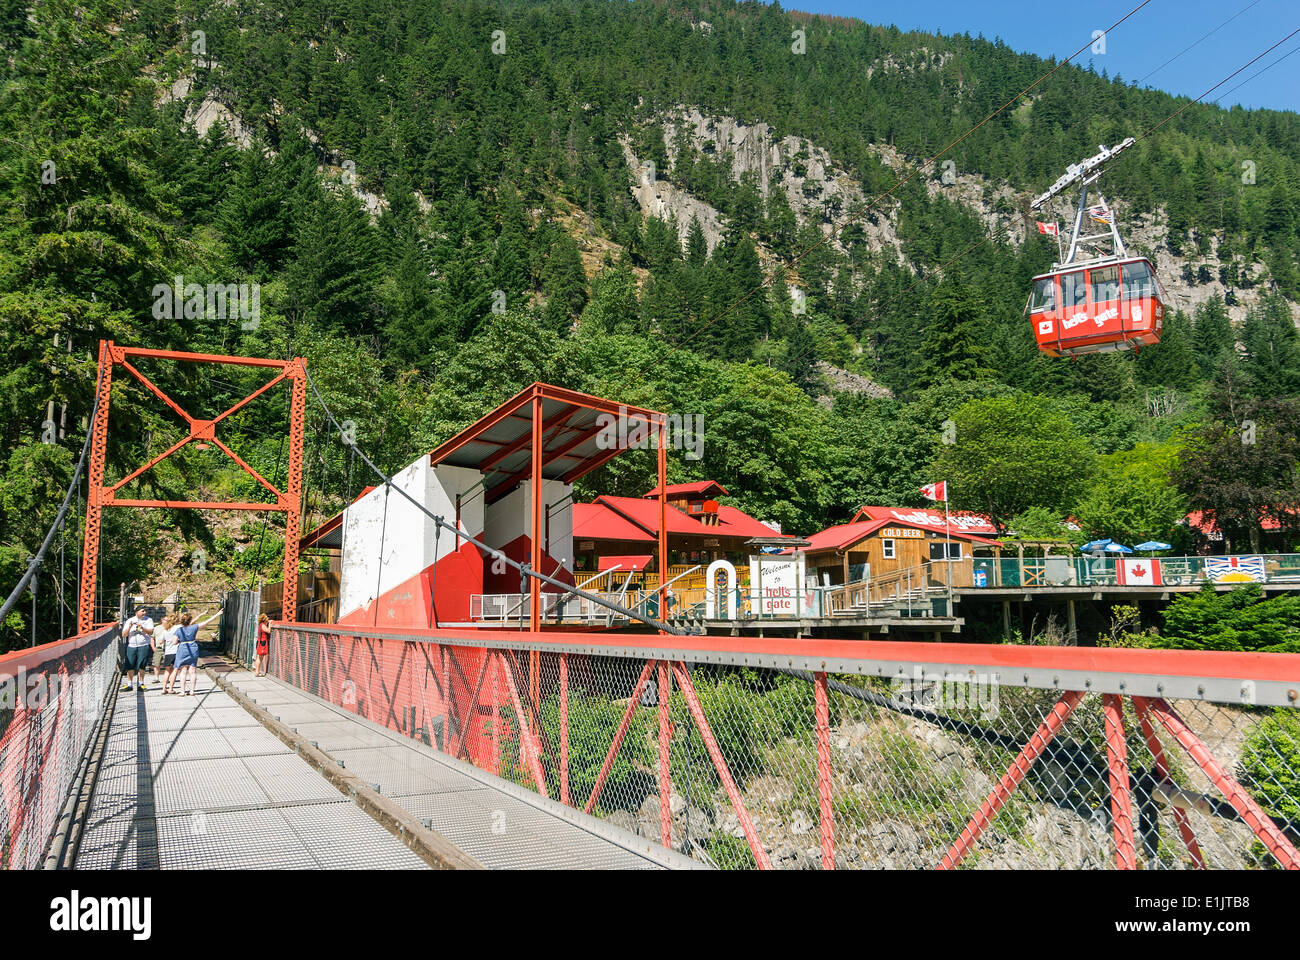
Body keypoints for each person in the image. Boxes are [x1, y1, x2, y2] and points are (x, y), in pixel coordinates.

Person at [121, 607, 154, 692]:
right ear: (137, 612)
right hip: (132, 646)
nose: (144, 613)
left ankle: (141, 684)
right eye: (142, 611)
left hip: (143, 645)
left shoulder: (148, 620)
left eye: (145, 611)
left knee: (142, 665)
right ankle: (129, 684)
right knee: (130, 665)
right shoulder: (130, 620)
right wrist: (129, 627)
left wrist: (142, 627)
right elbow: (124, 635)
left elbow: (151, 632)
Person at [172, 613, 201, 696]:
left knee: (183, 671)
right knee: (192, 671)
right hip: (193, 648)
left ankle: (182, 691)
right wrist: (217, 614)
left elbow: (174, 642)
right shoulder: (194, 627)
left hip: (182, 649)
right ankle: (192, 691)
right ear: (190, 621)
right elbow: (207, 621)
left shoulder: (179, 630)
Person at [161, 617, 182, 694]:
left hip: (168, 652)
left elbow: (161, 641)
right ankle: (170, 688)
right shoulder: (177, 628)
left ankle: (163, 688)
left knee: (167, 670)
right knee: (174, 670)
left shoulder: (165, 630)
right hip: (176, 651)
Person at [149, 615, 172, 687]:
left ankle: (168, 677)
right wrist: (153, 647)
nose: (167, 621)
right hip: (158, 648)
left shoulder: (171, 628)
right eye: (165, 620)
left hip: (168, 648)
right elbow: (152, 638)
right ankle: (156, 677)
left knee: (168, 664)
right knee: (156, 663)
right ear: (162, 620)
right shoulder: (156, 628)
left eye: (168, 620)